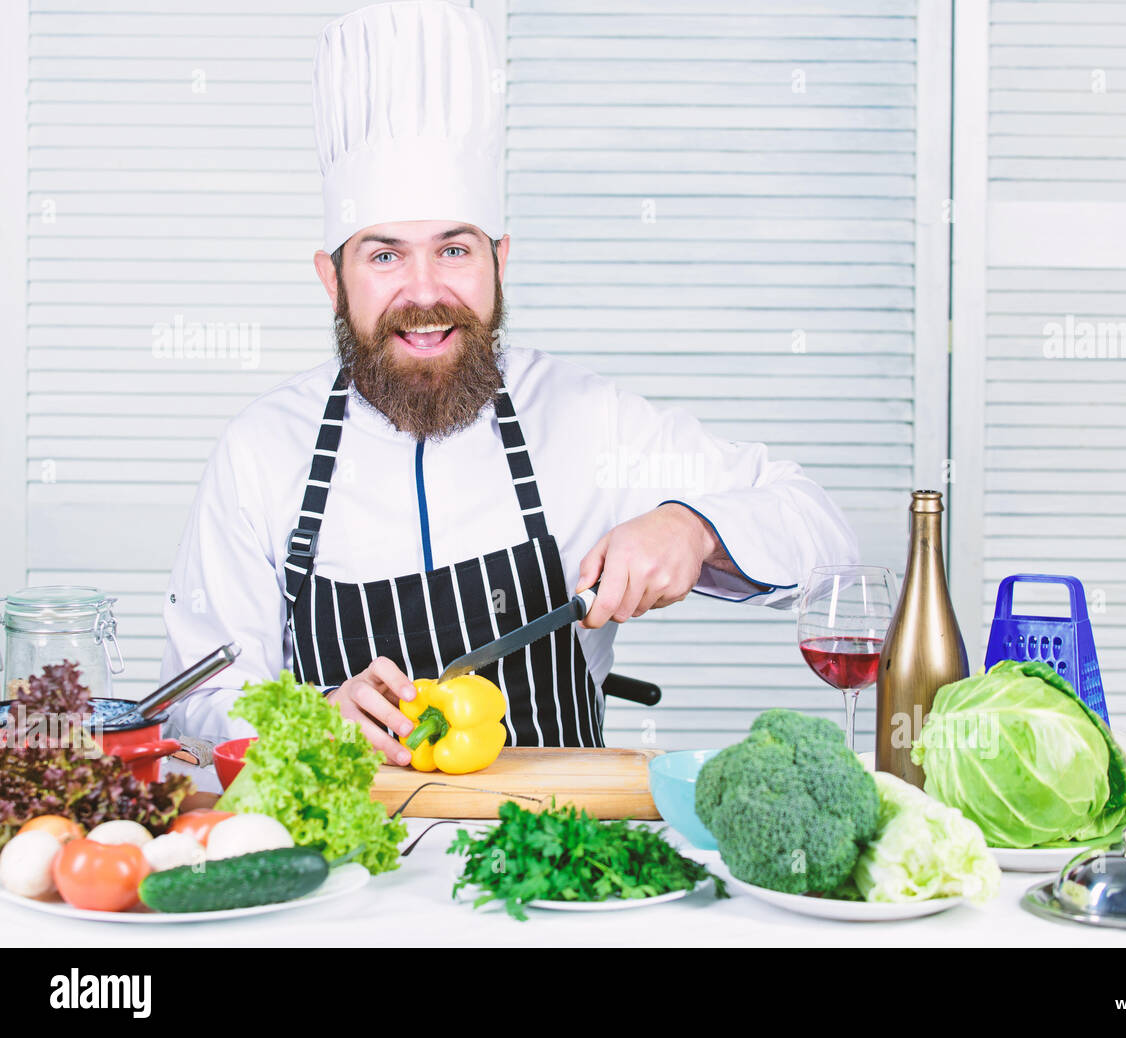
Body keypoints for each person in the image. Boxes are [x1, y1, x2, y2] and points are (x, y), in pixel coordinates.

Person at [161, 0, 859, 761]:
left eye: (454, 250)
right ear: (333, 280)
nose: (424, 292)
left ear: (499, 261)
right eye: (385, 255)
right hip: (343, 871)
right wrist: (311, 720)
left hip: (554, 857)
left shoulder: (591, 422)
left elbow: (824, 537)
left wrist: (694, 528)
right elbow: (191, 708)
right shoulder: (259, 453)